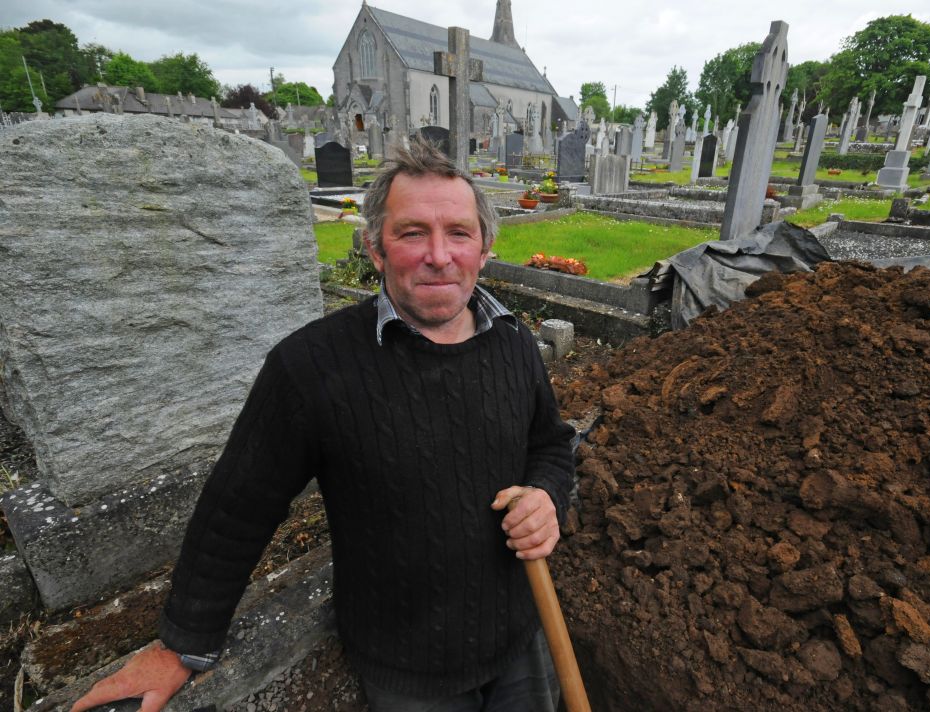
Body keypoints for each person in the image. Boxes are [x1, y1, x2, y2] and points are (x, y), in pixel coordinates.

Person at [71, 136, 575, 712]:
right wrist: (181, 643)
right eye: (412, 233)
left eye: (459, 233)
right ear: (375, 249)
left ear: (484, 248)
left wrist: (546, 496)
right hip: (407, 667)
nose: (439, 254)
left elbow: (551, 447)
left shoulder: (513, 342)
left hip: (521, 638)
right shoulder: (310, 366)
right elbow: (239, 506)